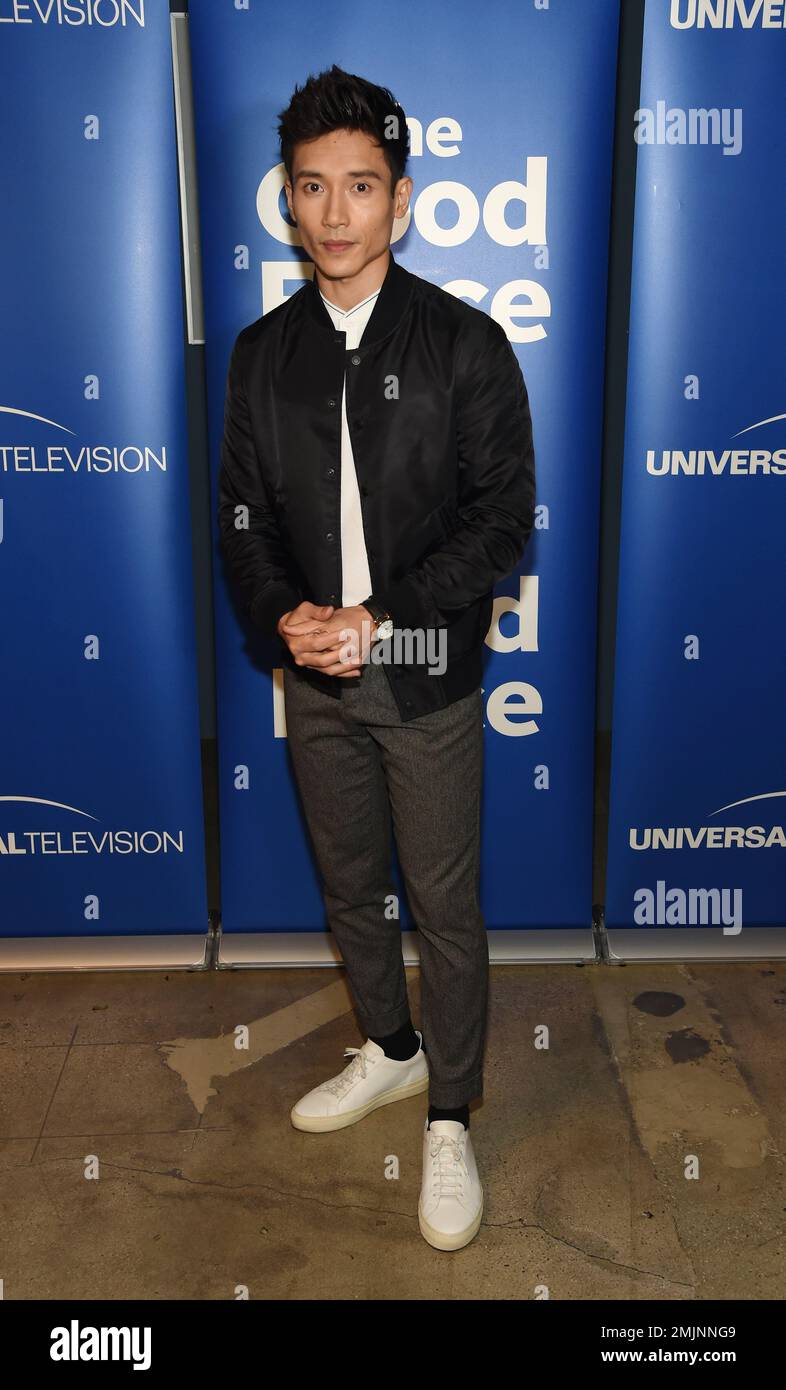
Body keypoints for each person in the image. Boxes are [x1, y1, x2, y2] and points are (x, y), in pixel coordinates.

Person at [217, 64, 536, 1251]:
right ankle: (393, 1052)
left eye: (362, 186)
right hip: (313, 679)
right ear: (289, 202)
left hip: (428, 680)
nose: (337, 211)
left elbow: (504, 517)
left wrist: (380, 613)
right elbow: (240, 515)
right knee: (352, 889)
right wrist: (286, 613)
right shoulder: (261, 356)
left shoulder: (465, 343)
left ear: (400, 203)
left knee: (445, 904)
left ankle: (451, 1111)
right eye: (314, 187)